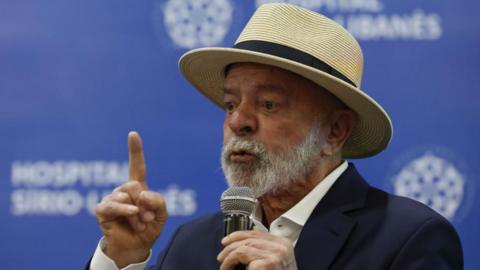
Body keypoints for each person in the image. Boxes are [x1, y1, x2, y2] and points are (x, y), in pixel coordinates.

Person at [88, 3, 463, 270]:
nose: (239, 122)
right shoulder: (192, 242)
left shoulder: (408, 239)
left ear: (335, 131)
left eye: (268, 104)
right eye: (230, 104)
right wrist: (123, 258)